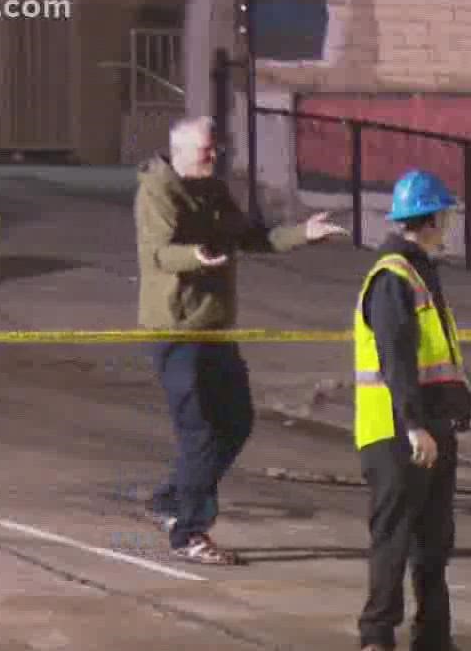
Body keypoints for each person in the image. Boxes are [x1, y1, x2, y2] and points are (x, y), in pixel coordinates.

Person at [135, 115, 347, 566]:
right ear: (180, 153)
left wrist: (301, 234)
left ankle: (171, 499)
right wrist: (196, 255)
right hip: (176, 331)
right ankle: (189, 532)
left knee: (236, 422)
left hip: (214, 329)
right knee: (201, 431)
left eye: (216, 150)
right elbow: (157, 253)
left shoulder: (213, 189)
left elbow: (251, 235)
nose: (214, 158)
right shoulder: (158, 192)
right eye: (205, 152)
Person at [352, 170, 471, 651]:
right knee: (395, 538)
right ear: (430, 219)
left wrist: (453, 405)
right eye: (444, 214)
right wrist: (413, 426)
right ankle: (376, 640)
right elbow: (395, 358)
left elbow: (431, 353)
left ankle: (433, 644)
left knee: (434, 540)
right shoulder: (393, 277)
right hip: (397, 433)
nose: (448, 222)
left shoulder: (419, 270)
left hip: (429, 425)